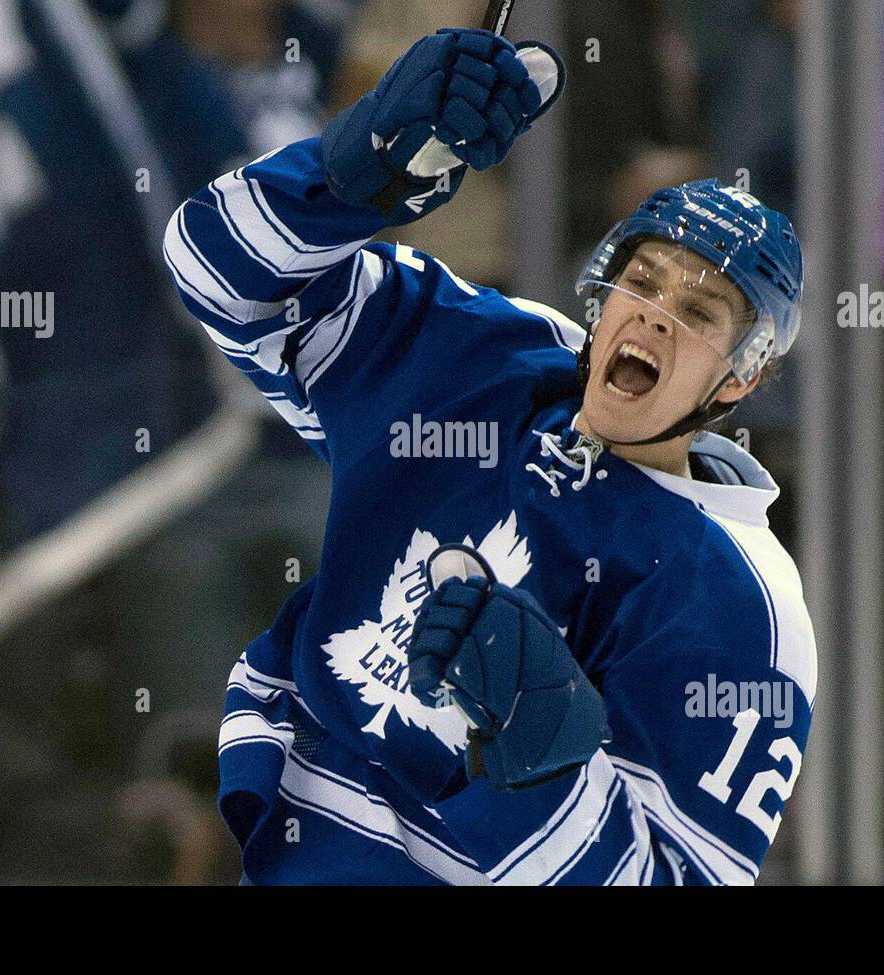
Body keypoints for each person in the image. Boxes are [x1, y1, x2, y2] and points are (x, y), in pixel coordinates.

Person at [163, 27, 816, 885]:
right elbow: (210, 269)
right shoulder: (486, 361)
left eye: (698, 314)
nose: (655, 317)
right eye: (643, 281)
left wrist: (548, 767)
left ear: (740, 377)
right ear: (602, 292)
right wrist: (356, 170)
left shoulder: (742, 604)